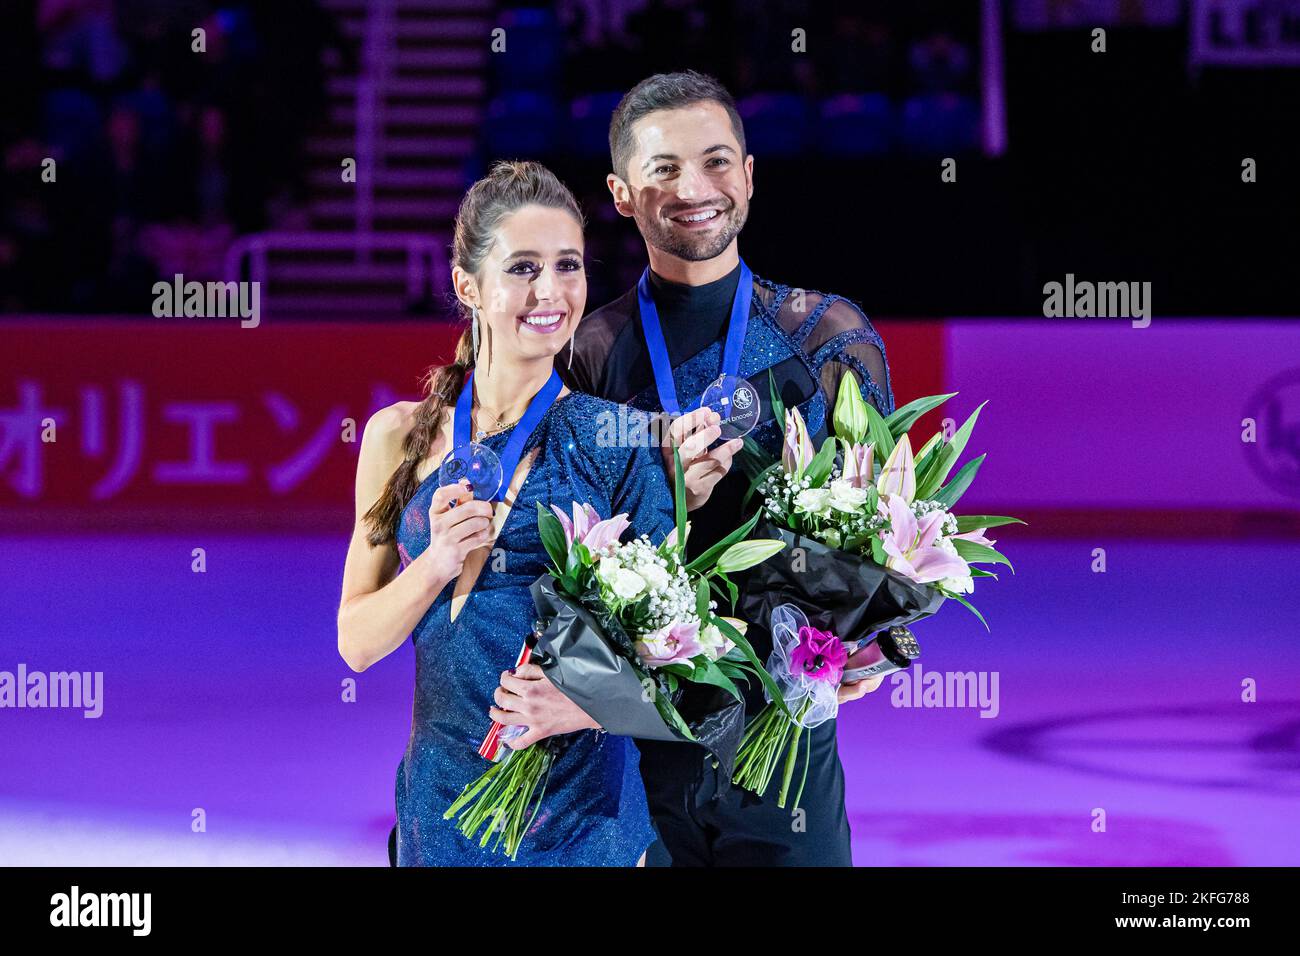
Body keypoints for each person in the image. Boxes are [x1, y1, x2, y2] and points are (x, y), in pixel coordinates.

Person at [559, 70, 896, 866]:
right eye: (663, 169)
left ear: (747, 176)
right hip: (625, 758)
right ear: (620, 193)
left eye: (715, 161)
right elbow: (549, 560)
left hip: (786, 757)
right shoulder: (584, 355)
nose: (693, 188)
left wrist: (873, 646)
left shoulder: (828, 337)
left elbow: (888, 533)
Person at [338, 160, 673, 866]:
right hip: (441, 811)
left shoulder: (619, 439)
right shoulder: (398, 436)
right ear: (468, 285)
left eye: (568, 265)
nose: (550, 291)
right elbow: (357, 644)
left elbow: (682, 654)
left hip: (587, 819)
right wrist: (433, 565)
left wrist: (587, 705)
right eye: (523, 267)